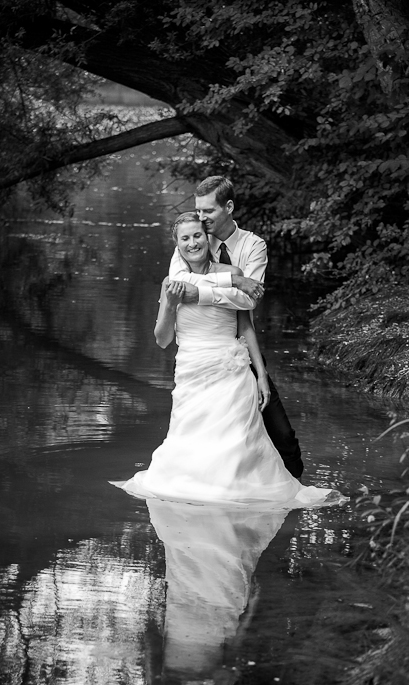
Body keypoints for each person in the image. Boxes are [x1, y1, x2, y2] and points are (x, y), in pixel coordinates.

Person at [112, 212, 345, 508]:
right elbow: (162, 339)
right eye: (185, 238)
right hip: (192, 372)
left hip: (231, 370)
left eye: (197, 235)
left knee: (236, 444)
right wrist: (170, 305)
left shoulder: (233, 273)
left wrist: (261, 375)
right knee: (192, 442)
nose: (192, 243)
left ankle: (237, 503)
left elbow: (246, 327)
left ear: (208, 237)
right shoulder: (171, 282)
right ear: (177, 244)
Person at [169, 175, 304, 479]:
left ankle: (290, 495)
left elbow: (248, 302)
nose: (201, 220)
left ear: (228, 207)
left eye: (208, 212)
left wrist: (205, 292)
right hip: (202, 358)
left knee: (283, 435)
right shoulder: (190, 241)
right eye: (198, 211)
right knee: (207, 441)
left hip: (241, 350)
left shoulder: (253, 245)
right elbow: (180, 284)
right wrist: (234, 279)